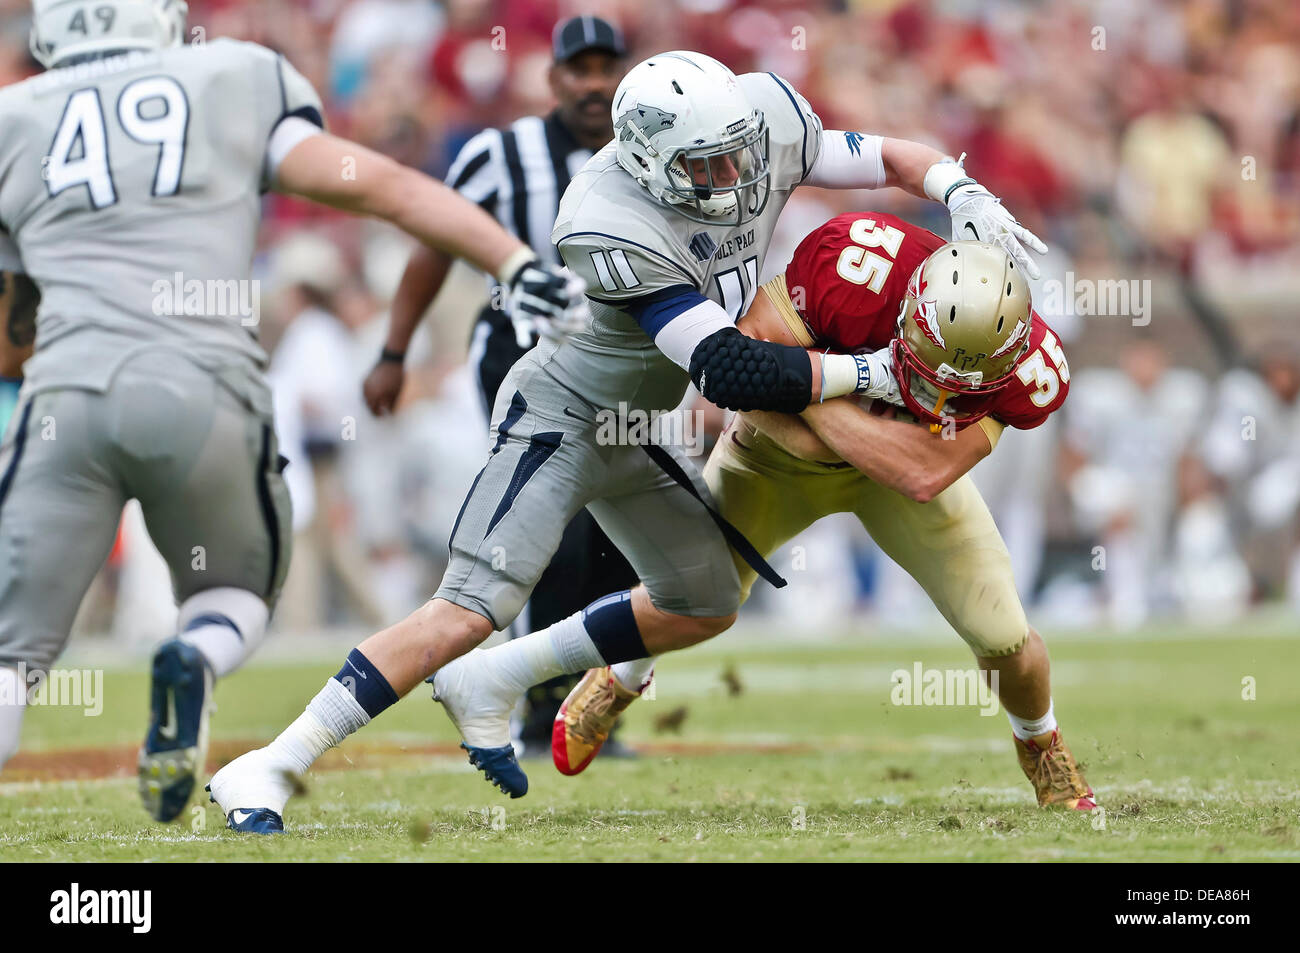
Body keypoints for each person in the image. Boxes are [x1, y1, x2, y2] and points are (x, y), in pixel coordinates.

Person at [210, 49, 1047, 832]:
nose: (731, 179)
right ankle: (272, 763)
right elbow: (727, 370)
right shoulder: (608, 218)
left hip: (638, 426)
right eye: (705, 168)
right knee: (467, 609)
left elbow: (883, 159)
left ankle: (490, 682)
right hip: (564, 417)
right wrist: (870, 376)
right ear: (648, 160)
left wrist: (957, 187)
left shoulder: (759, 122)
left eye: (736, 157)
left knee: (705, 598)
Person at [0, 0, 585, 823]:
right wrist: (513, 260)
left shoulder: (14, 116)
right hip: (206, 386)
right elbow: (379, 185)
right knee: (234, 592)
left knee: (8, 655)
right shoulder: (230, 75)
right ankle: (195, 657)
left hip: (66, 393)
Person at [551, 212, 1093, 810]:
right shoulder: (856, 267)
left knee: (1005, 635)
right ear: (910, 303)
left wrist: (799, 384)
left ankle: (1041, 743)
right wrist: (805, 391)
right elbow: (736, 374)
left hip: (892, 480)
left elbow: (919, 473)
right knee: (689, 597)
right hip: (771, 460)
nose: (939, 385)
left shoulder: (1030, 372)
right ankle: (622, 677)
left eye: (963, 380)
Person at [363, 16, 638, 756]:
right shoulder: (501, 153)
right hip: (524, 371)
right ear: (551, 79)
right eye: (577, 69)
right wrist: (393, 349)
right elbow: (434, 245)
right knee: (561, 532)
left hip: (623, 374)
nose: (592, 83)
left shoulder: (648, 153)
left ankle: (585, 710)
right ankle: (537, 702)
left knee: (619, 541)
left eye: (604, 67)